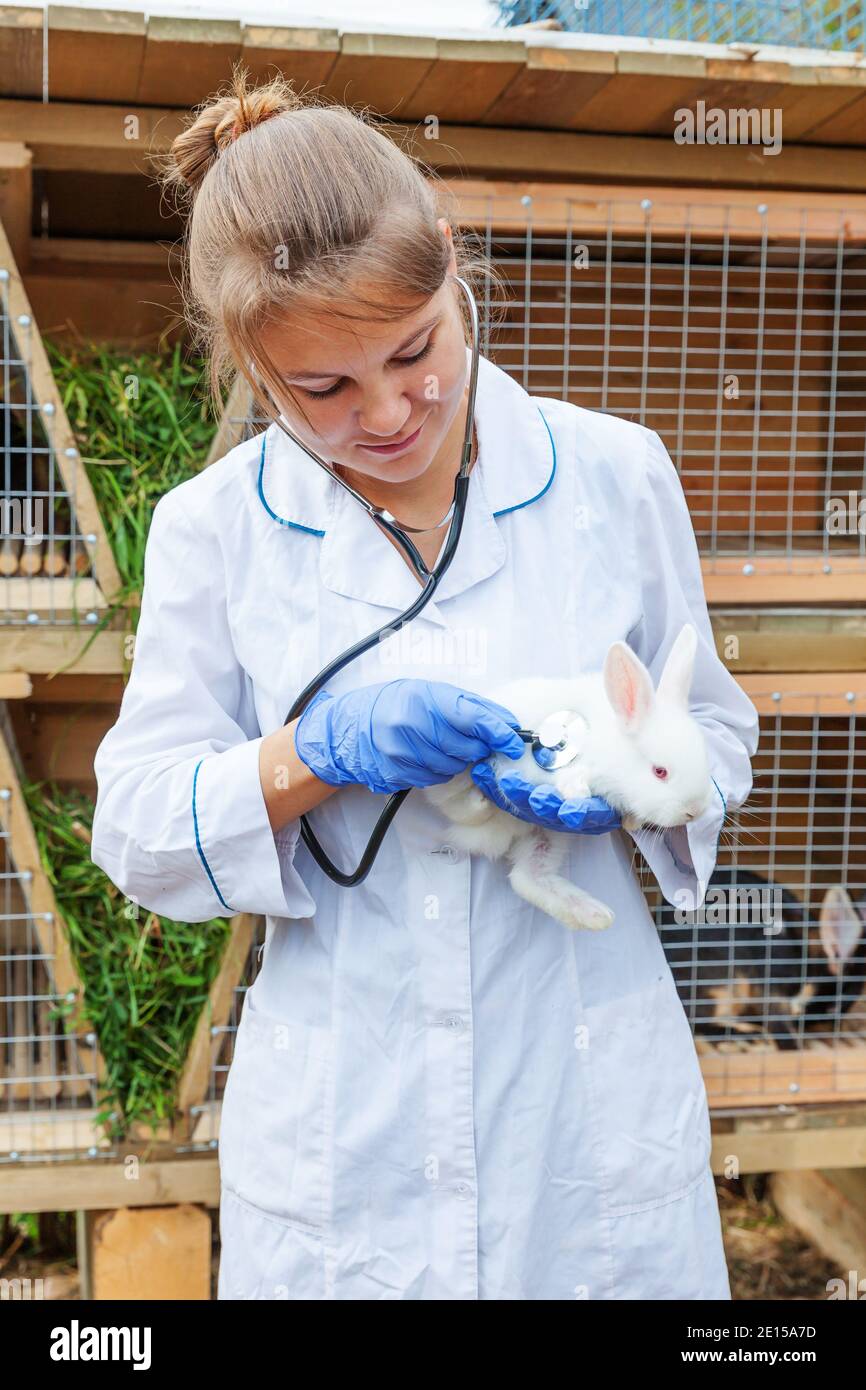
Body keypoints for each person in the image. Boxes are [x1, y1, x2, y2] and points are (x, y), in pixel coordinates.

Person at [91, 70, 759, 1301]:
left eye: (414, 353)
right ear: (253, 361)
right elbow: (134, 827)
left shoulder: (614, 474)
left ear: (450, 268)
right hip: (348, 1141)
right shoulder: (214, 531)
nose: (391, 410)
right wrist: (311, 756)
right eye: (324, 390)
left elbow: (708, 722)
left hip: (582, 1117)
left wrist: (623, 788)